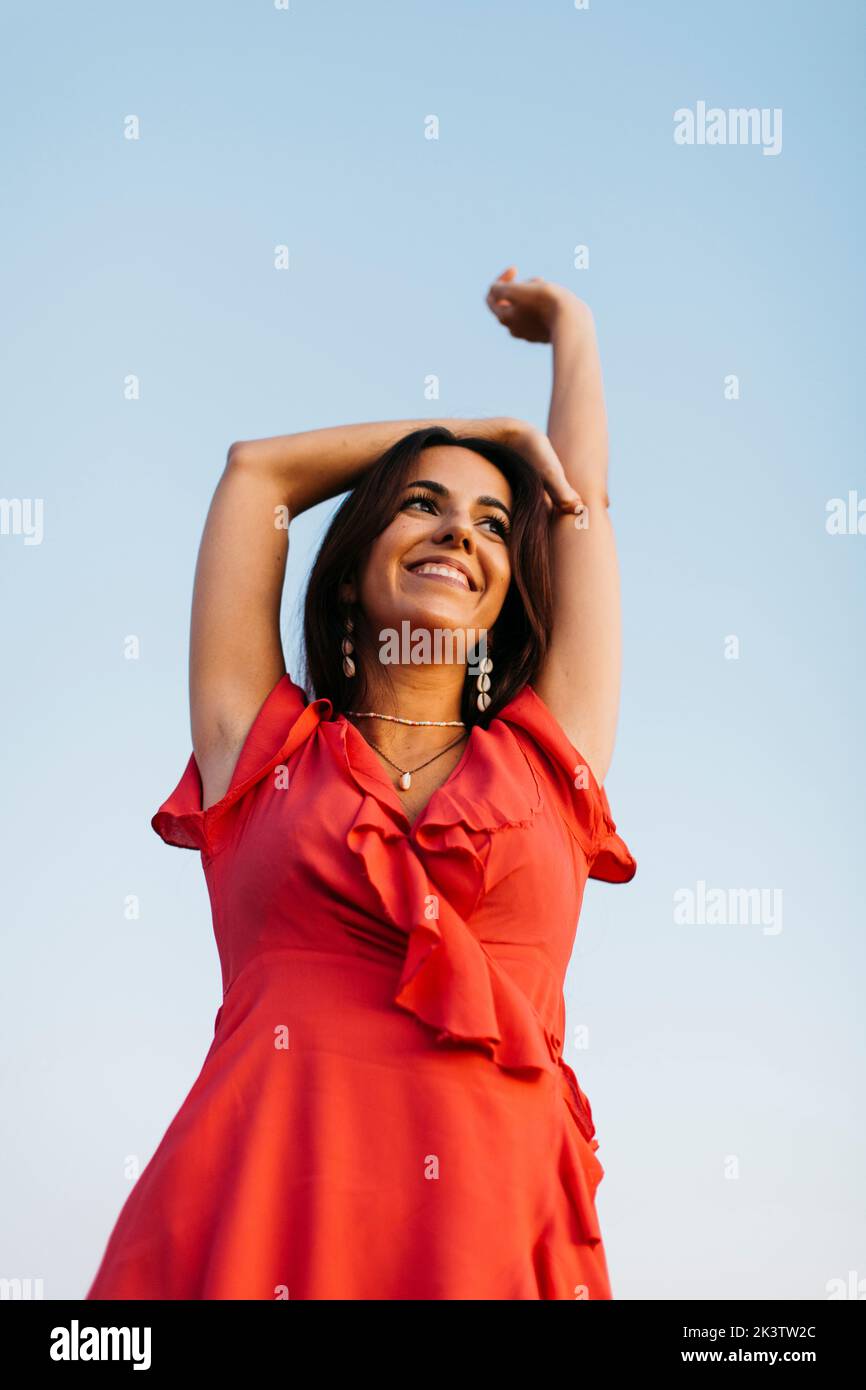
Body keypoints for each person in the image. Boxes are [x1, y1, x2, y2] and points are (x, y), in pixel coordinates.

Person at [85, 267, 637, 1301]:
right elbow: (256, 475)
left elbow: (579, 507)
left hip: (490, 1225)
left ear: (511, 591)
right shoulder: (262, 747)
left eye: (485, 524)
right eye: (420, 506)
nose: (457, 534)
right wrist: (465, 426)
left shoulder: (544, 760)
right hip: (254, 1210)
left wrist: (573, 329)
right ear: (348, 570)